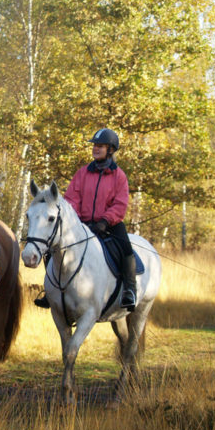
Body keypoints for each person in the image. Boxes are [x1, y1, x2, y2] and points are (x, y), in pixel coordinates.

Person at [33, 127, 137, 310]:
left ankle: (130, 290)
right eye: (94, 145)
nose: (95, 149)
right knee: (52, 248)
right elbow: (72, 198)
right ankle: (50, 292)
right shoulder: (83, 173)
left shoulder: (119, 176)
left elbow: (120, 204)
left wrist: (105, 221)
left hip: (109, 225)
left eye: (100, 146)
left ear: (111, 150)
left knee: (126, 249)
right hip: (82, 224)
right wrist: (77, 220)